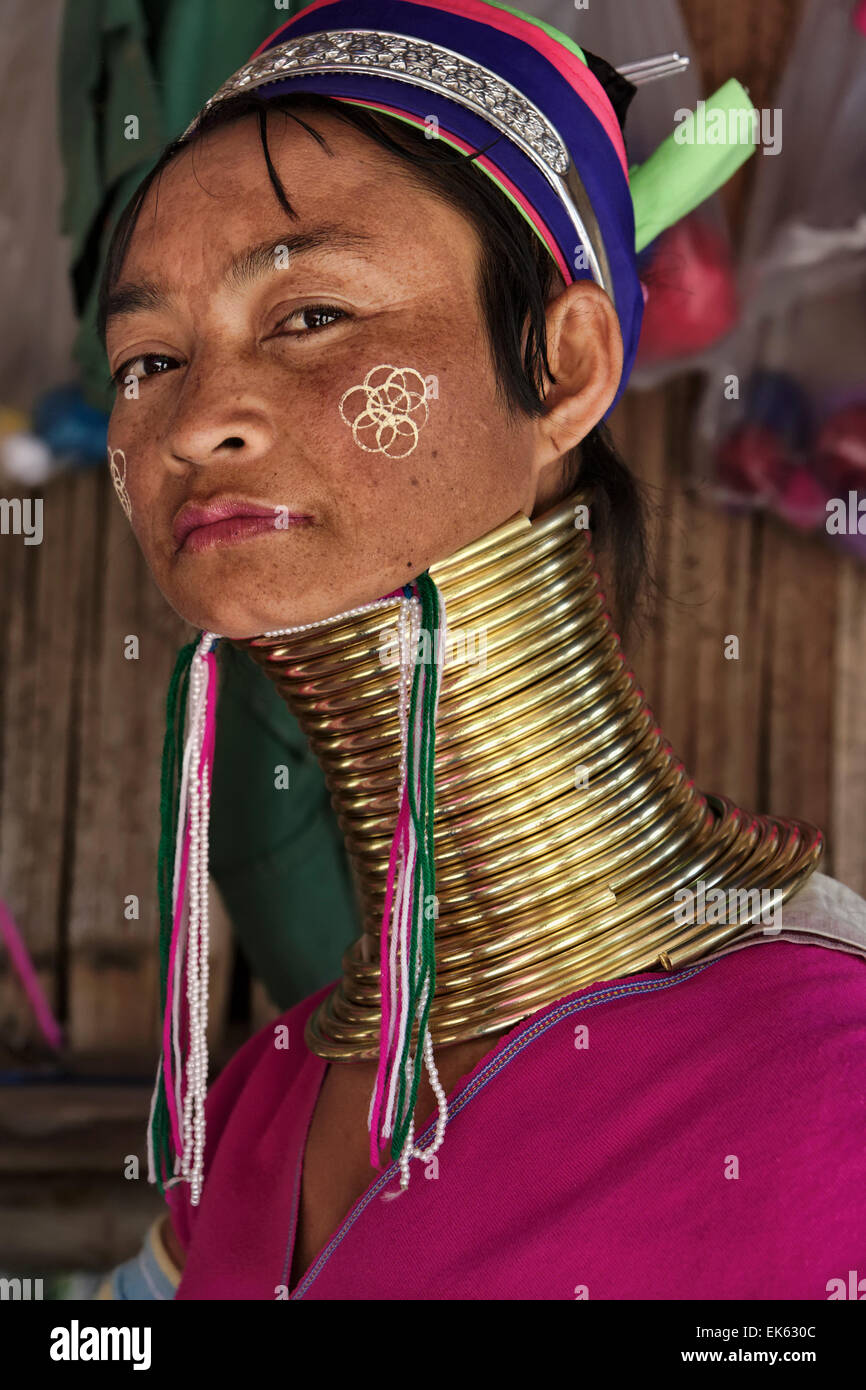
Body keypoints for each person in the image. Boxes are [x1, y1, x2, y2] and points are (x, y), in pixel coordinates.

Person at [94, 0, 866, 1300]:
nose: (194, 421)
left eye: (311, 314)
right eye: (148, 357)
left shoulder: (824, 1082)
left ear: (562, 365)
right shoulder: (260, 1096)